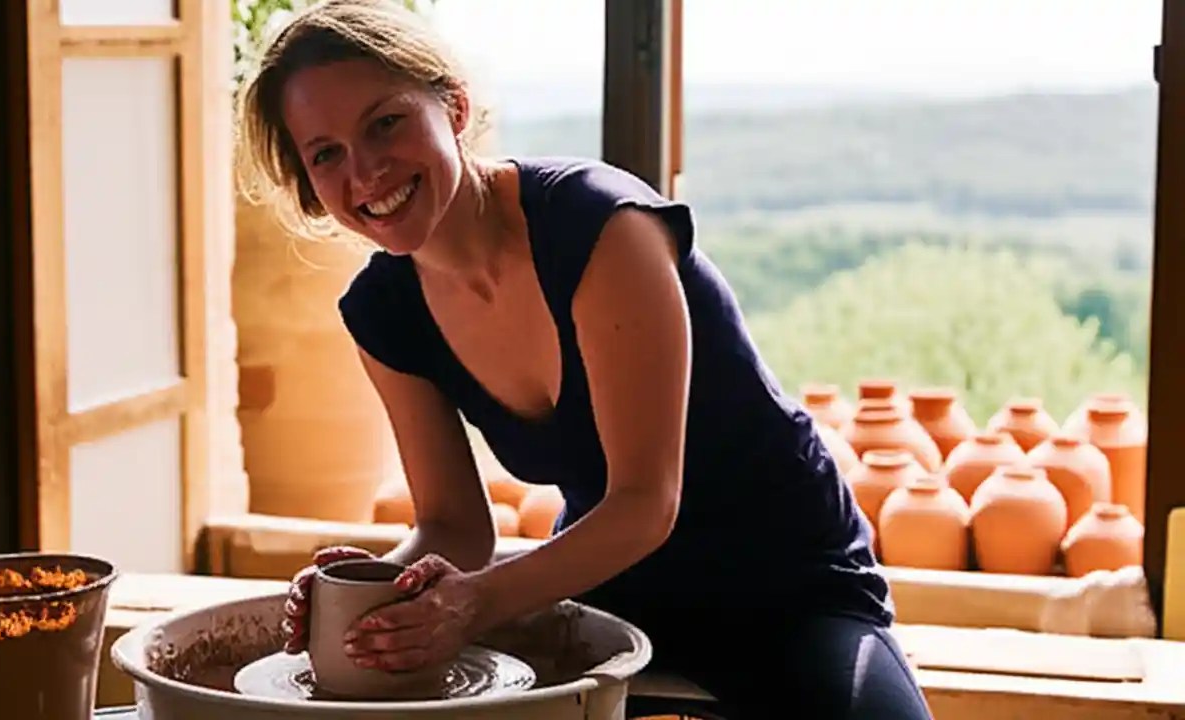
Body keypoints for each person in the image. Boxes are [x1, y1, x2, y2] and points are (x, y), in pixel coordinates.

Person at [234, 1, 933, 717]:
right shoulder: (383, 313)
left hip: (788, 582)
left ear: (453, 107)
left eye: (386, 123)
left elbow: (645, 503)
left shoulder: (599, 227)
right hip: (608, 582)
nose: (368, 171)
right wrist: (366, 592)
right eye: (327, 154)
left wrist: (471, 605)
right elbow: (454, 526)